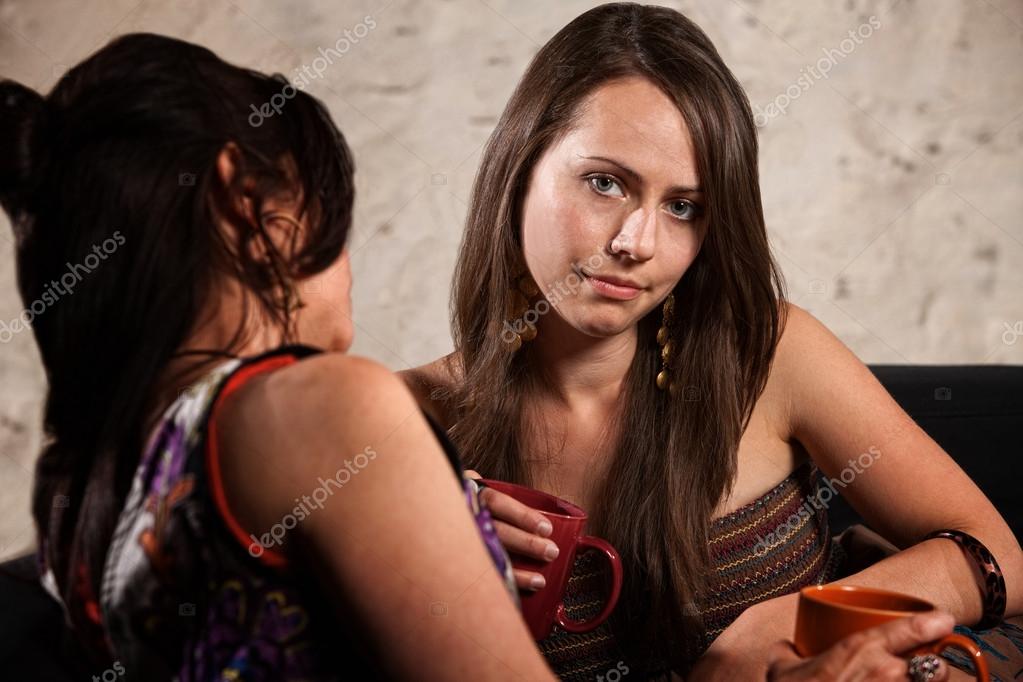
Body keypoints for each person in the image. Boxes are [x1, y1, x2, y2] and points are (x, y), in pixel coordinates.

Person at [400, 3, 1023, 680]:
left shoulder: (768, 352)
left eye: (682, 207)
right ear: (519, 169)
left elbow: (997, 556)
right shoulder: (403, 425)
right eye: (604, 183)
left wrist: (793, 618)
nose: (636, 244)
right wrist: (409, 550)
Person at [0, 33, 556, 681]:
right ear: (244, 200)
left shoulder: (84, 490)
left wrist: (424, 517)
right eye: (332, 223)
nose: (347, 269)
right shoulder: (319, 407)